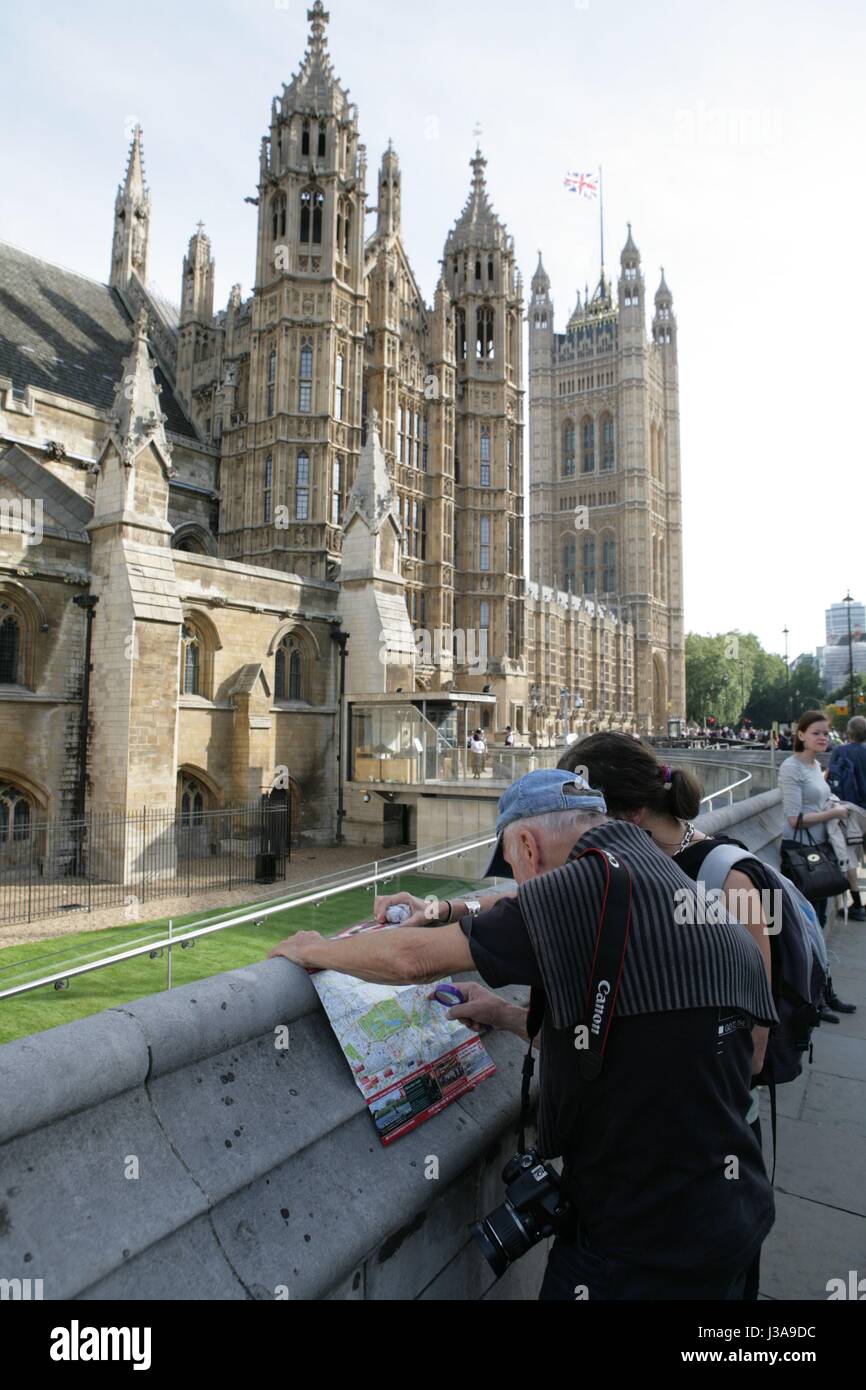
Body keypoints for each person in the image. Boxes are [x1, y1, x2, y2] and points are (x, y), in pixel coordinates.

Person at [270, 770, 778, 1301]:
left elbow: (410, 957)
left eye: (512, 867)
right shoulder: (664, 875)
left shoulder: (586, 890)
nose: (516, 884)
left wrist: (313, 950)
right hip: (733, 1211)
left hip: (643, 1241)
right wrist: (506, 1015)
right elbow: (639, 1038)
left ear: (528, 846)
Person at [778, 711, 858, 1010]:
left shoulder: (814, 765)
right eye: (816, 732)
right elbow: (794, 818)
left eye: (826, 732)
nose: (823, 737)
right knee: (807, 927)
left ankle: (824, 993)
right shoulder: (791, 767)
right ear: (800, 735)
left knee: (820, 921)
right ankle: (812, 999)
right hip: (800, 853)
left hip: (820, 848)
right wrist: (833, 813)